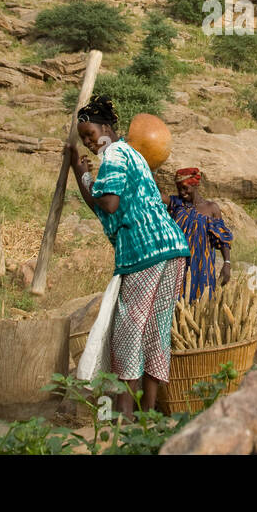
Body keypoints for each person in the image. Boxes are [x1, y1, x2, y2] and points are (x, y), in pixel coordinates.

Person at [69, 95, 190, 416]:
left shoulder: (115, 154)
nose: (88, 142)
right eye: (82, 138)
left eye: (90, 134)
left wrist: (82, 175)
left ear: (106, 128)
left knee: (130, 328)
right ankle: (147, 413)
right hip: (172, 248)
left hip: (144, 251)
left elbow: (107, 204)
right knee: (156, 328)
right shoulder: (133, 155)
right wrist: (81, 174)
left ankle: (123, 414)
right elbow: (106, 207)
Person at [166, 167, 233, 302]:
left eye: (185, 188)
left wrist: (227, 263)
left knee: (201, 302)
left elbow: (222, 239)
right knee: (176, 304)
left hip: (203, 266)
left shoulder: (211, 208)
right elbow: (156, 196)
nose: (182, 192)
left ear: (195, 185)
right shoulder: (175, 204)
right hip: (177, 265)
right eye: (179, 188)